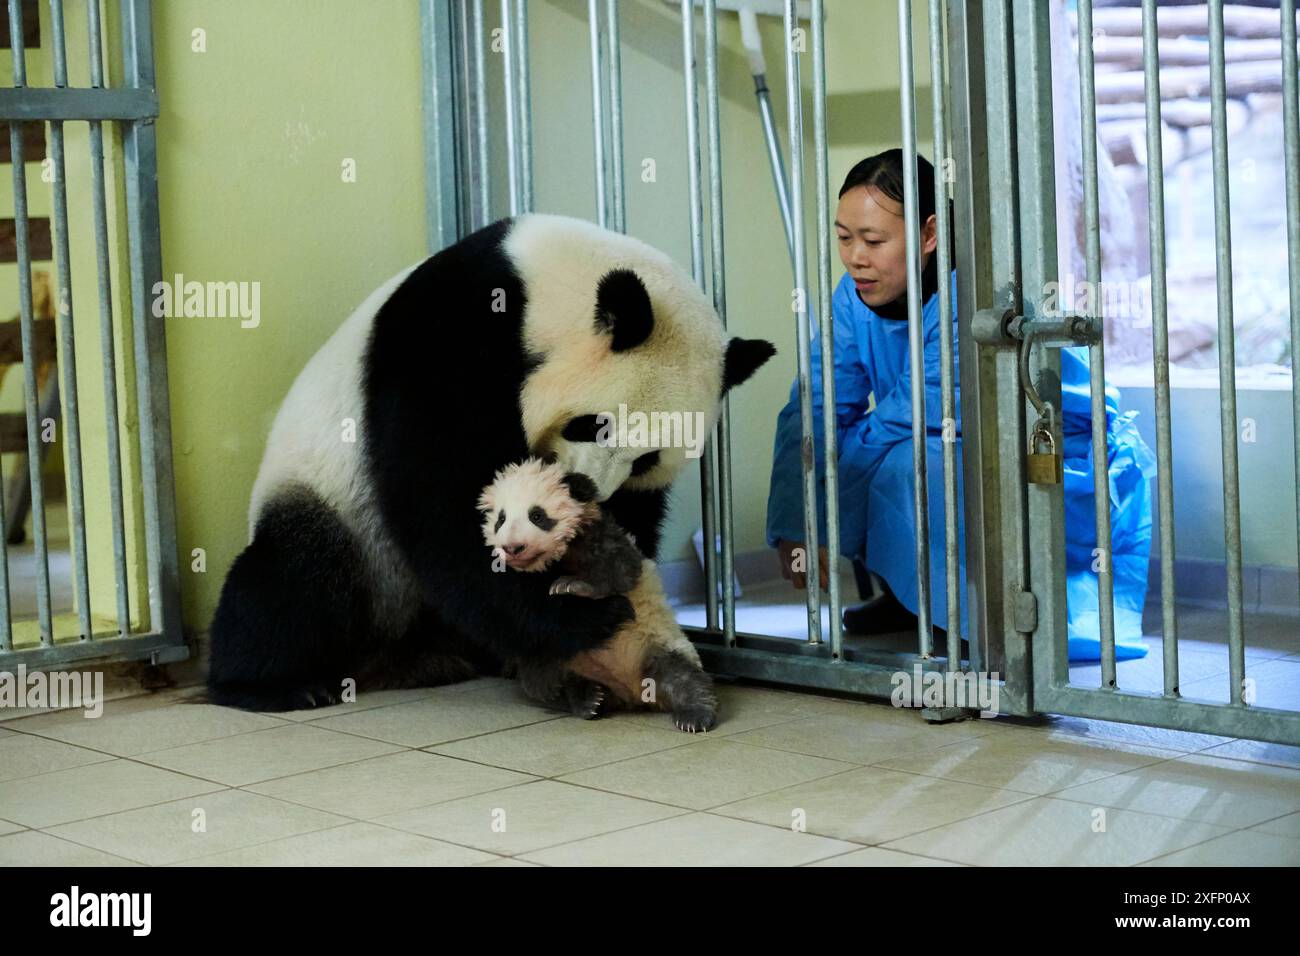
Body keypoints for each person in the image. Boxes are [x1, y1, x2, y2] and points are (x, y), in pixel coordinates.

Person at [765, 149, 1156, 661]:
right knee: (877, 453)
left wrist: (828, 503)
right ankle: (915, 601)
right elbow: (814, 405)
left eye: (873, 240)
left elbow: (914, 415)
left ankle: (973, 612)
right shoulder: (851, 296)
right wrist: (796, 520)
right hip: (932, 439)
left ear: (929, 235)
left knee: (915, 464)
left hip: (1059, 453)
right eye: (843, 238)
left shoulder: (967, 296)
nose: (855, 256)